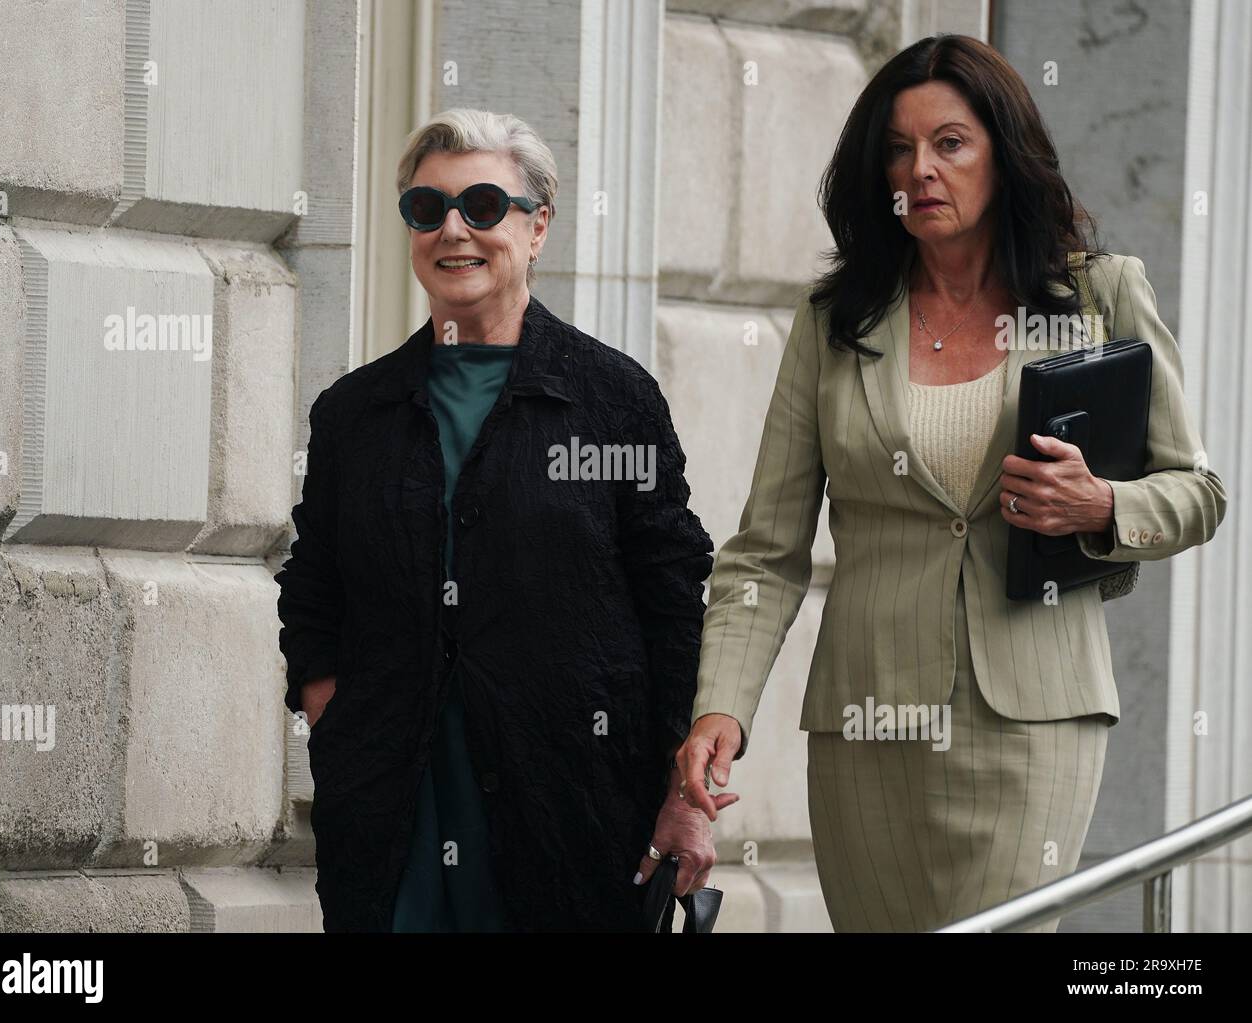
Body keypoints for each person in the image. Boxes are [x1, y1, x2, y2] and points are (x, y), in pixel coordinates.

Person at [677, 34, 1228, 932]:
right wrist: (720, 711)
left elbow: (1198, 491)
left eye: (950, 143)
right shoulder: (836, 323)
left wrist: (1102, 505)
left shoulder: (1100, 296)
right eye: (899, 148)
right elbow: (766, 551)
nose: (920, 169)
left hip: (1033, 718)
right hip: (867, 726)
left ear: (1004, 156)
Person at [276, 108, 727, 932]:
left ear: (538, 226)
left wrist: (683, 794)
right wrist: (335, 725)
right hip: (393, 811)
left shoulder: (612, 399)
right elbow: (314, 587)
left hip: (574, 813)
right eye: (427, 208)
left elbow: (673, 600)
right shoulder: (355, 411)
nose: (454, 228)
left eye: (484, 206)